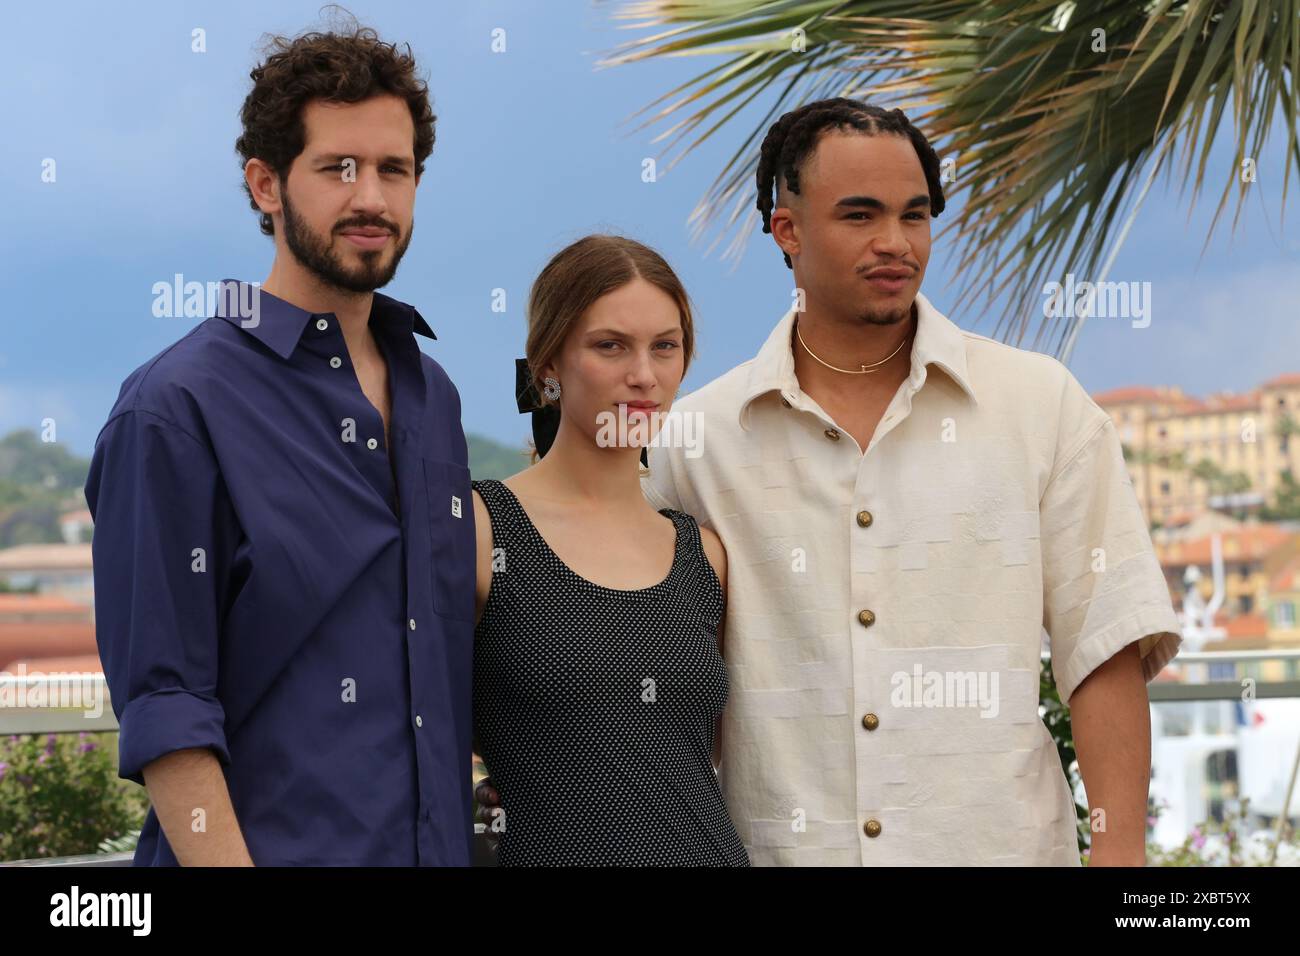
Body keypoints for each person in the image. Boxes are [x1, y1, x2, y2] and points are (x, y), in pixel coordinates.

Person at [638, 99, 1182, 865]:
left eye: (915, 215)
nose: (895, 243)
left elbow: (1104, 651)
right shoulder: (696, 442)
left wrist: (1121, 867)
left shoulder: (1040, 406)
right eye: (859, 216)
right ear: (786, 231)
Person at [85, 22, 475, 865]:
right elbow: (166, 709)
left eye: (394, 170)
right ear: (266, 185)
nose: (370, 197)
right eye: (338, 167)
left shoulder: (433, 395)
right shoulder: (173, 408)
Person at [469, 235, 749, 866]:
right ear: (548, 362)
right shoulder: (480, 528)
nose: (643, 376)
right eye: (610, 345)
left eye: (665, 347)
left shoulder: (704, 556)